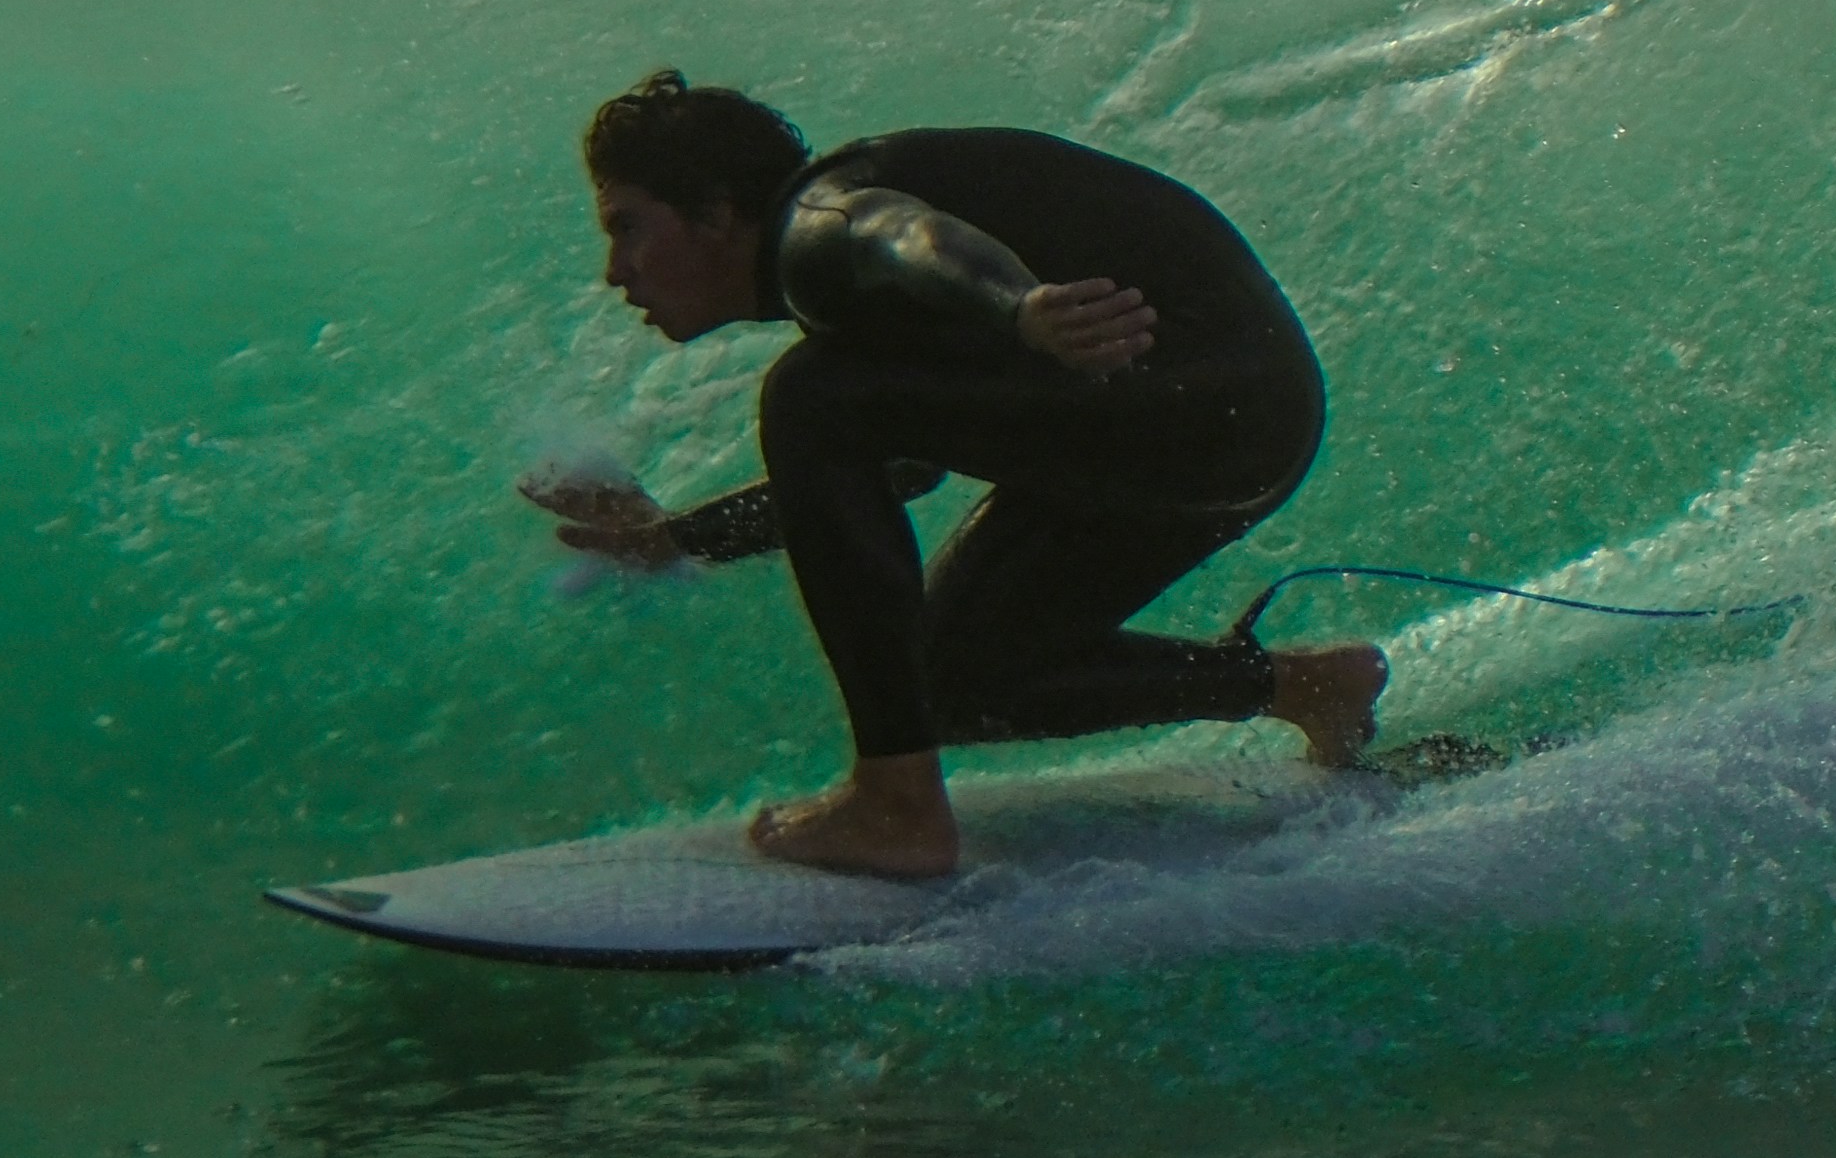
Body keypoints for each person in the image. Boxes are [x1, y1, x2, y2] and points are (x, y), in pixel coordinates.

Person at [519, 70, 1472, 879]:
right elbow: (897, 468)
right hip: (1228, 418)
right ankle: (1303, 685)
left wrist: (1021, 307)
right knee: (951, 680)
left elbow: (902, 234)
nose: (616, 270)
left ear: (719, 215)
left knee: (809, 394)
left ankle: (896, 802)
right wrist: (673, 540)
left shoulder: (820, 223)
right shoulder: (853, 305)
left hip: (1197, 400)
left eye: (628, 227)